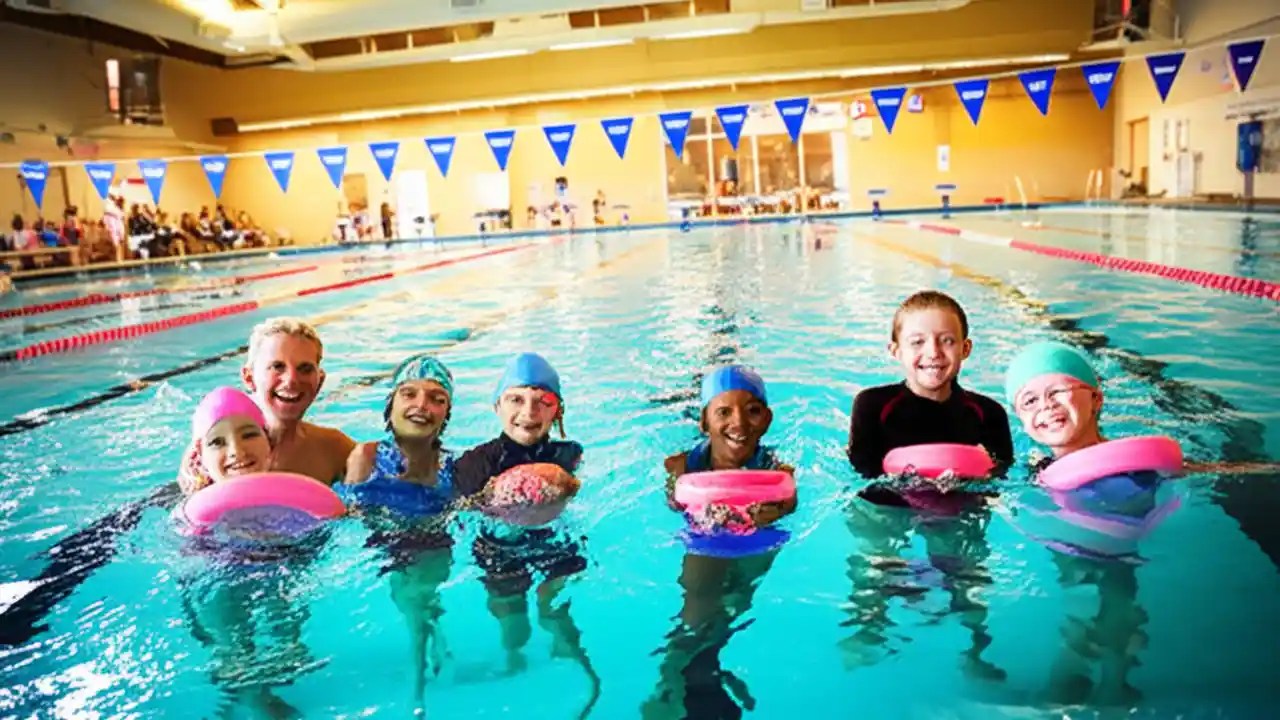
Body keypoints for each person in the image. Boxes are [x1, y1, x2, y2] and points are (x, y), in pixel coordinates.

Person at [646, 366, 795, 719]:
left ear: (767, 419)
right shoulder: (683, 464)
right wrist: (700, 506)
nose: (740, 424)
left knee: (739, 598)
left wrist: (773, 513)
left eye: (752, 411)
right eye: (723, 412)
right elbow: (675, 500)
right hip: (706, 535)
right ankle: (670, 681)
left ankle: (708, 664)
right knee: (699, 603)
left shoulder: (777, 467)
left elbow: (790, 501)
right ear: (704, 422)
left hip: (754, 536)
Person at [453, 352, 598, 712]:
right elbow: (461, 509)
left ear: (558, 411)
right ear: (497, 406)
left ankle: (572, 656)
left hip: (556, 540)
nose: (529, 412)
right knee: (511, 617)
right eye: (516, 400)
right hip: (499, 546)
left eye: (542, 402)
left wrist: (568, 484)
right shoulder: (474, 461)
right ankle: (513, 656)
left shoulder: (570, 454)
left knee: (556, 609)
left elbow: (578, 494)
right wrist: (488, 497)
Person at [341, 353, 459, 707]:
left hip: (436, 541)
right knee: (413, 600)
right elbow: (349, 511)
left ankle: (419, 681)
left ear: (446, 415)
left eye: (437, 399)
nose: (422, 405)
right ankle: (420, 674)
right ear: (390, 404)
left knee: (420, 597)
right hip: (386, 539)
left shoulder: (454, 467)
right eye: (409, 394)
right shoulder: (366, 457)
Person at [178, 318, 355, 492]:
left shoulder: (334, 450)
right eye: (277, 366)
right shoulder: (210, 458)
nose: (291, 380)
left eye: (305, 369)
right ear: (249, 377)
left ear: (320, 380)